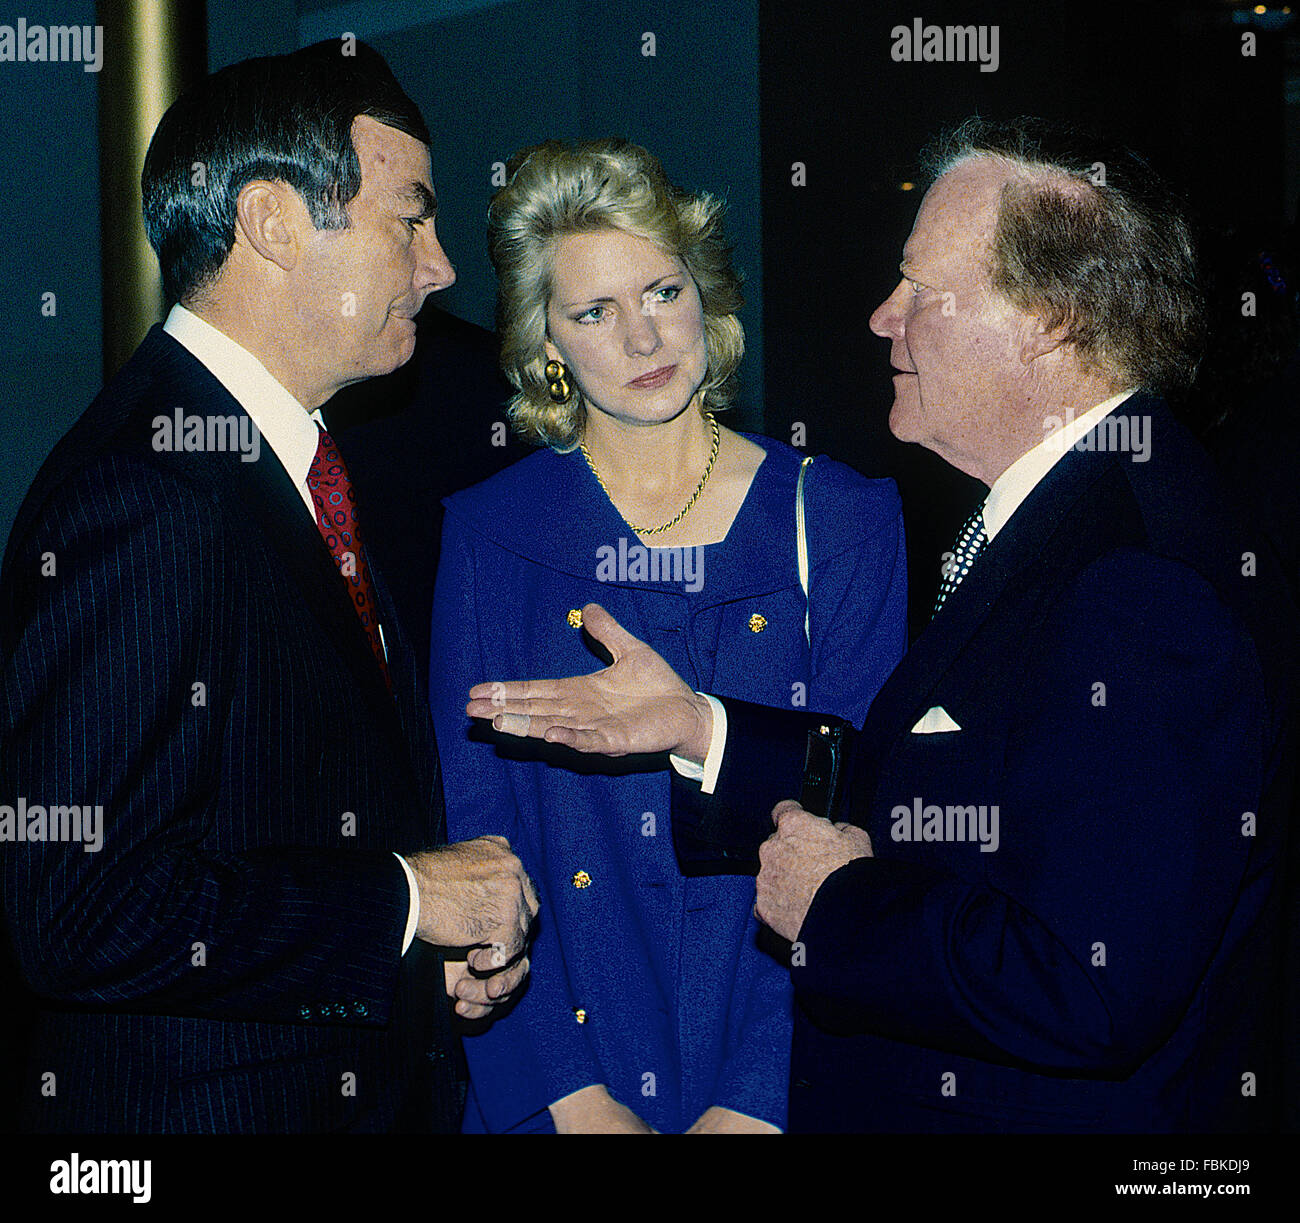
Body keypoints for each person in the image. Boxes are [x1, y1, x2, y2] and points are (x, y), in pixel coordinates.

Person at [468, 117, 1296, 1132]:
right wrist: (704, 730)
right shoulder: (1074, 512)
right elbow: (951, 796)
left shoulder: (1138, 580)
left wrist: (839, 903)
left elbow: (1091, 983)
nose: (879, 316)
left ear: (1048, 317)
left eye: (920, 290)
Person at [0, 40, 537, 1134]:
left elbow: (266, 835)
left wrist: (399, 958)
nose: (439, 266)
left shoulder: (280, 468)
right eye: (408, 219)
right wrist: (405, 899)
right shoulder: (147, 493)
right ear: (273, 222)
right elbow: (80, 907)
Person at [429, 138, 907, 1133]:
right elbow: (479, 835)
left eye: (661, 290)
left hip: (784, 1061)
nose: (644, 337)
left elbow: (858, 821)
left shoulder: (841, 521)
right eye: (594, 312)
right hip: (557, 1082)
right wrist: (572, 1099)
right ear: (545, 342)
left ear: (706, 294)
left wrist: (754, 1104)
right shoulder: (489, 532)